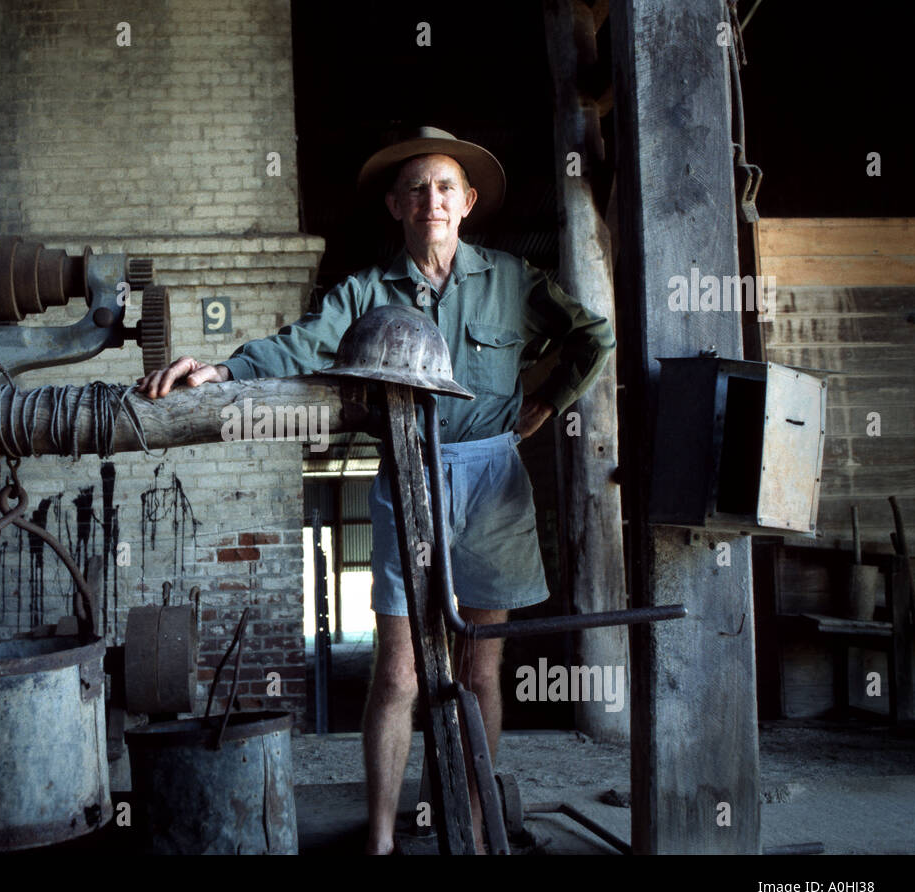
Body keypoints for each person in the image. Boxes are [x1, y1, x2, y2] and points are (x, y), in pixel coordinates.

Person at [136, 126, 615, 854]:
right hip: (406, 473)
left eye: (446, 187)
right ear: (396, 205)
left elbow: (592, 338)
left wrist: (547, 402)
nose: (432, 200)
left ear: (468, 202)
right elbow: (303, 340)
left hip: (492, 479)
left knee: (481, 663)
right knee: (398, 672)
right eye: (417, 189)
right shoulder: (367, 290)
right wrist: (226, 370)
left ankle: (476, 830)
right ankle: (383, 839)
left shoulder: (514, 282)